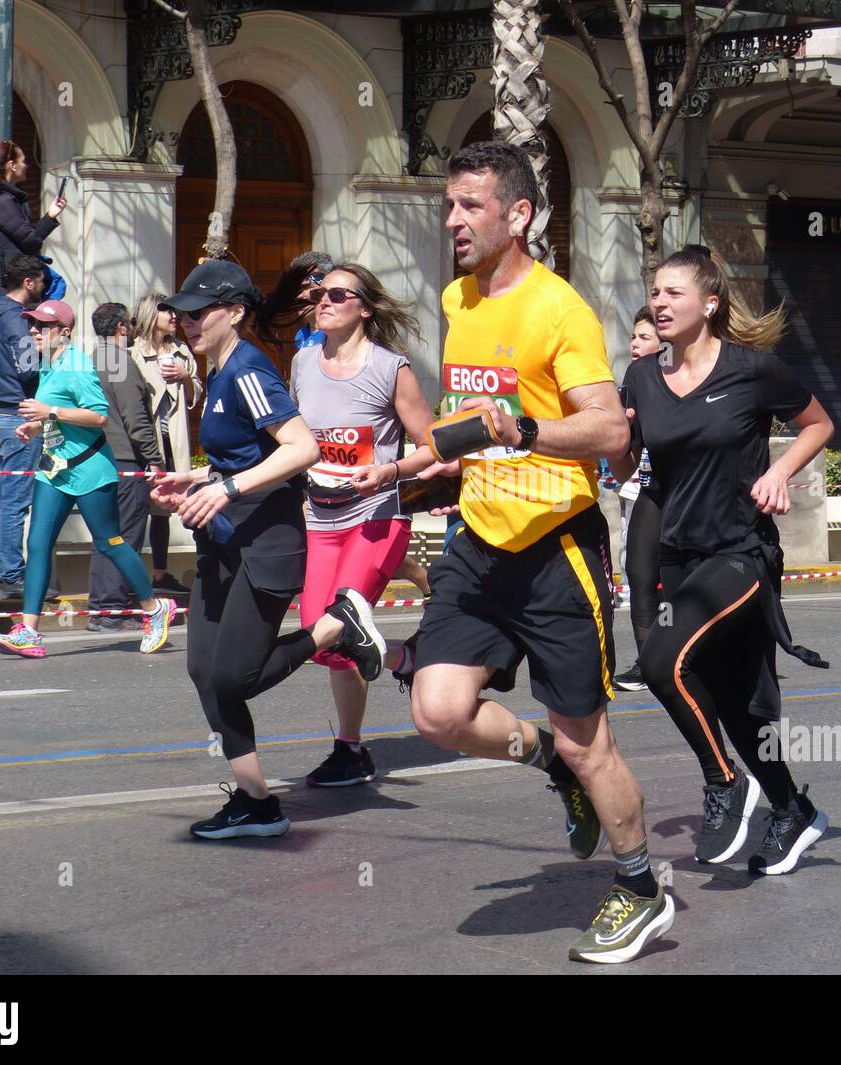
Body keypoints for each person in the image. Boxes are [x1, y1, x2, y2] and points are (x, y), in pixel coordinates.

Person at [406, 140, 672, 965]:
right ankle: (542, 762)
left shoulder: (561, 310)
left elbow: (609, 428)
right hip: (478, 540)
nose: (453, 219)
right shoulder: (458, 298)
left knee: (586, 736)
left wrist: (526, 429)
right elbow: (470, 425)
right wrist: (410, 465)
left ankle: (640, 887)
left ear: (518, 214)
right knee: (438, 709)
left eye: (470, 205)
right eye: (449, 204)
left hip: (556, 550)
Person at [611, 244, 835, 875]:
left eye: (673, 292)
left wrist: (781, 471)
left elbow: (819, 424)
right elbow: (636, 467)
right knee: (731, 699)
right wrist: (615, 443)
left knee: (659, 661)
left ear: (709, 304)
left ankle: (723, 782)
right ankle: (791, 808)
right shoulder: (643, 376)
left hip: (741, 552)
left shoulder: (752, 370)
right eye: (654, 292)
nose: (659, 302)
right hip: (680, 551)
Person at [150, 260, 387, 839]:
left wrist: (226, 488)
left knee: (237, 676)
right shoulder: (219, 369)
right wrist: (198, 481)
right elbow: (244, 457)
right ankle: (258, 804)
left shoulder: (250, 369)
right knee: (204, 671)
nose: (186, 324)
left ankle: (336, 626)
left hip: (267, 545)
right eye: (181, 314)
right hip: (224, 540)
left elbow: (300, 448)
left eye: (198, 313)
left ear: (234, 313)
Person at [288, 263, 436, 787]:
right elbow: (294, 443)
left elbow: (432, 446)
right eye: (318, 293)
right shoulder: (303, 363)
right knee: (321, 638)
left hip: (376, 517)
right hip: (321, 517)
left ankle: (349, 749)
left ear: (365, 308)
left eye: (336, 294)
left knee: (338, 622)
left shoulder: (390, 368)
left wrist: (389, 471)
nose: (322, 300)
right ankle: (404, 658)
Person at [0, 299, 175, 659]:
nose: (33, 332)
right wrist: (36, 424)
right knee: (39, 543)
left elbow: (99, 416)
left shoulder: (76, 365)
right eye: (32, 325)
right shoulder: (48, 364)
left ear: (64, 331)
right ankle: (28, 630)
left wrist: (49, 411)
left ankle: (154, 609)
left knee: (108, 543)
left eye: (42, 326)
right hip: (55, 469)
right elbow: (57, 415)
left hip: (90, 470)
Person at [86, 302, 166, 632]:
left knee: (105, 536)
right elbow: (136, 420)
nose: (132, 329)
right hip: (123, 460)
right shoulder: (121, 362)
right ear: (121, 327)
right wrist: (155, 459)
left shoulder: (92, 360)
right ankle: (111, 607)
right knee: (124, 536)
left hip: (96, 460)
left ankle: (102, 606)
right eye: (130, 324)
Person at [0, 253, 50, 599]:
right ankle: (10, 575)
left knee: (1, 501)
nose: (44, 286)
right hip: (19, 414)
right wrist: (42, 354)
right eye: (41, 280)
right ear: (28, 282)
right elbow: (27, 370)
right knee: (15, 501)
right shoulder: (16, 320)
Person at [130, 293, 203, 593]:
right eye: (168, 312)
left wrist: (186, 376)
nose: (175, 317)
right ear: (151, 315)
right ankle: (130, 578)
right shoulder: (131, 352)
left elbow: (195, 395)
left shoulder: (182, 350)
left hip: (175, 440)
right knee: (137, 510)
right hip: (144, 442)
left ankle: (162, 574)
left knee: (173, 507)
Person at [0, 139, 66, 327]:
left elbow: (26, 237)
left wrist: (51, 215)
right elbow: (30, 241)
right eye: (23, 161)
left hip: (5, 282)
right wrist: (49, 216)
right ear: (11, 165)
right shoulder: (3, 202)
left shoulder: (8, 199)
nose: (26, 165)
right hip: (4, 285)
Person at [612, 308, 664, 692]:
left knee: (665, 579)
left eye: (644, 338)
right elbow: (627, 450)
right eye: (633, 337)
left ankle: (671, 656)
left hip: (678, 496)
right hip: (639, 489)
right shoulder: (633, 380)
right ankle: (651, 661)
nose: (635, 344)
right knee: (637, 571)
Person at [258, 250, 334, 352]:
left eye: (306, 288)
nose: (298, 296)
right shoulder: (300, 336)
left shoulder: (335, 337)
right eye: (296, 289)